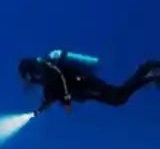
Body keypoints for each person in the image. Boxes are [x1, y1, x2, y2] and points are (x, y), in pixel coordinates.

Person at [18, 49, 160, 115]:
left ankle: (147, 70)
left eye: (28, 77)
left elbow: (59, 81)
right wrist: (41, 108)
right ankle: (146, 73)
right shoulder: (46, 74)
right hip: (84, 90)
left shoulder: (47, 70)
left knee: (118, 97)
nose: (31, 81)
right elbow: (53, 92)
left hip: (85, 84)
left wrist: (63, 98)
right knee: (118, 98)